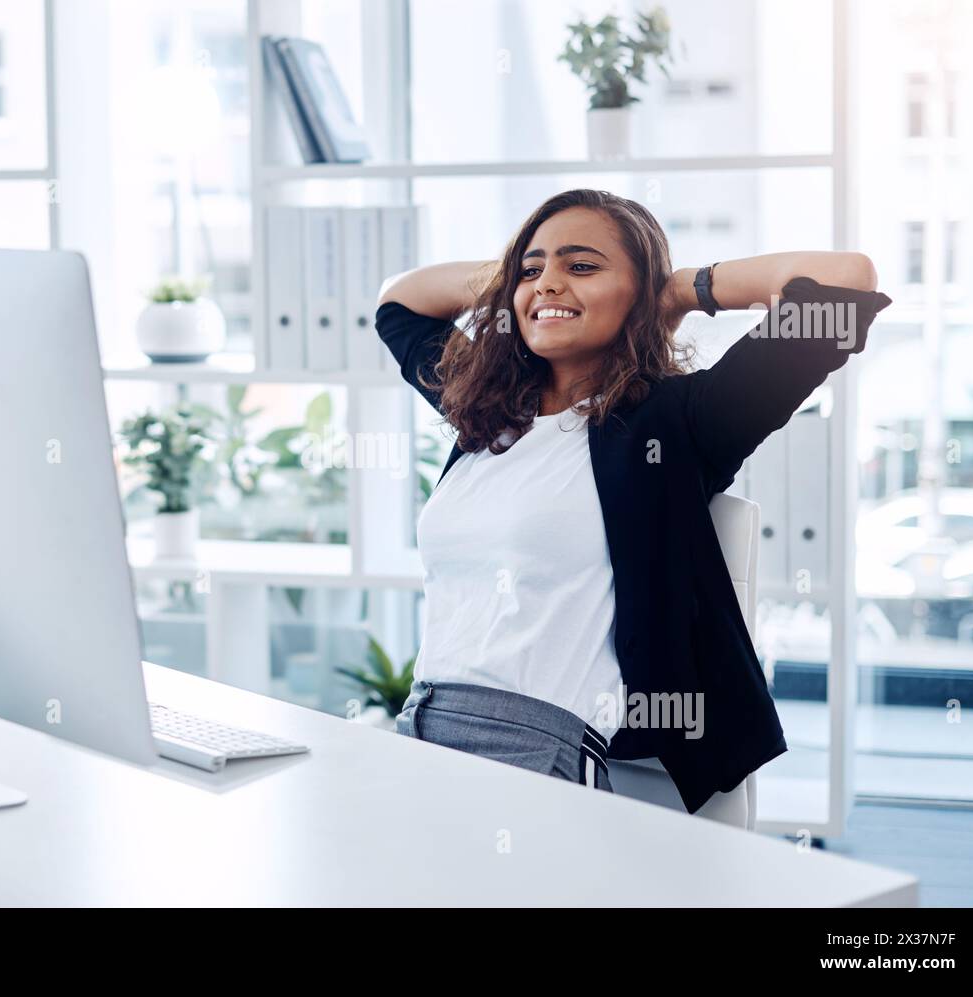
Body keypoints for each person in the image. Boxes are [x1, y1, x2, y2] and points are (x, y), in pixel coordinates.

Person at [376, 188, 891, 817]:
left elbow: (845, 283)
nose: (550, 286)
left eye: (583, 266)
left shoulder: (678, 423)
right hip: (420, 730)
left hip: (538, 758)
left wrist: (677, 290)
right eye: (532, 270)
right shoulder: (487, 413)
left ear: (639, 291)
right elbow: (398, 302)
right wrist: (520, 276)